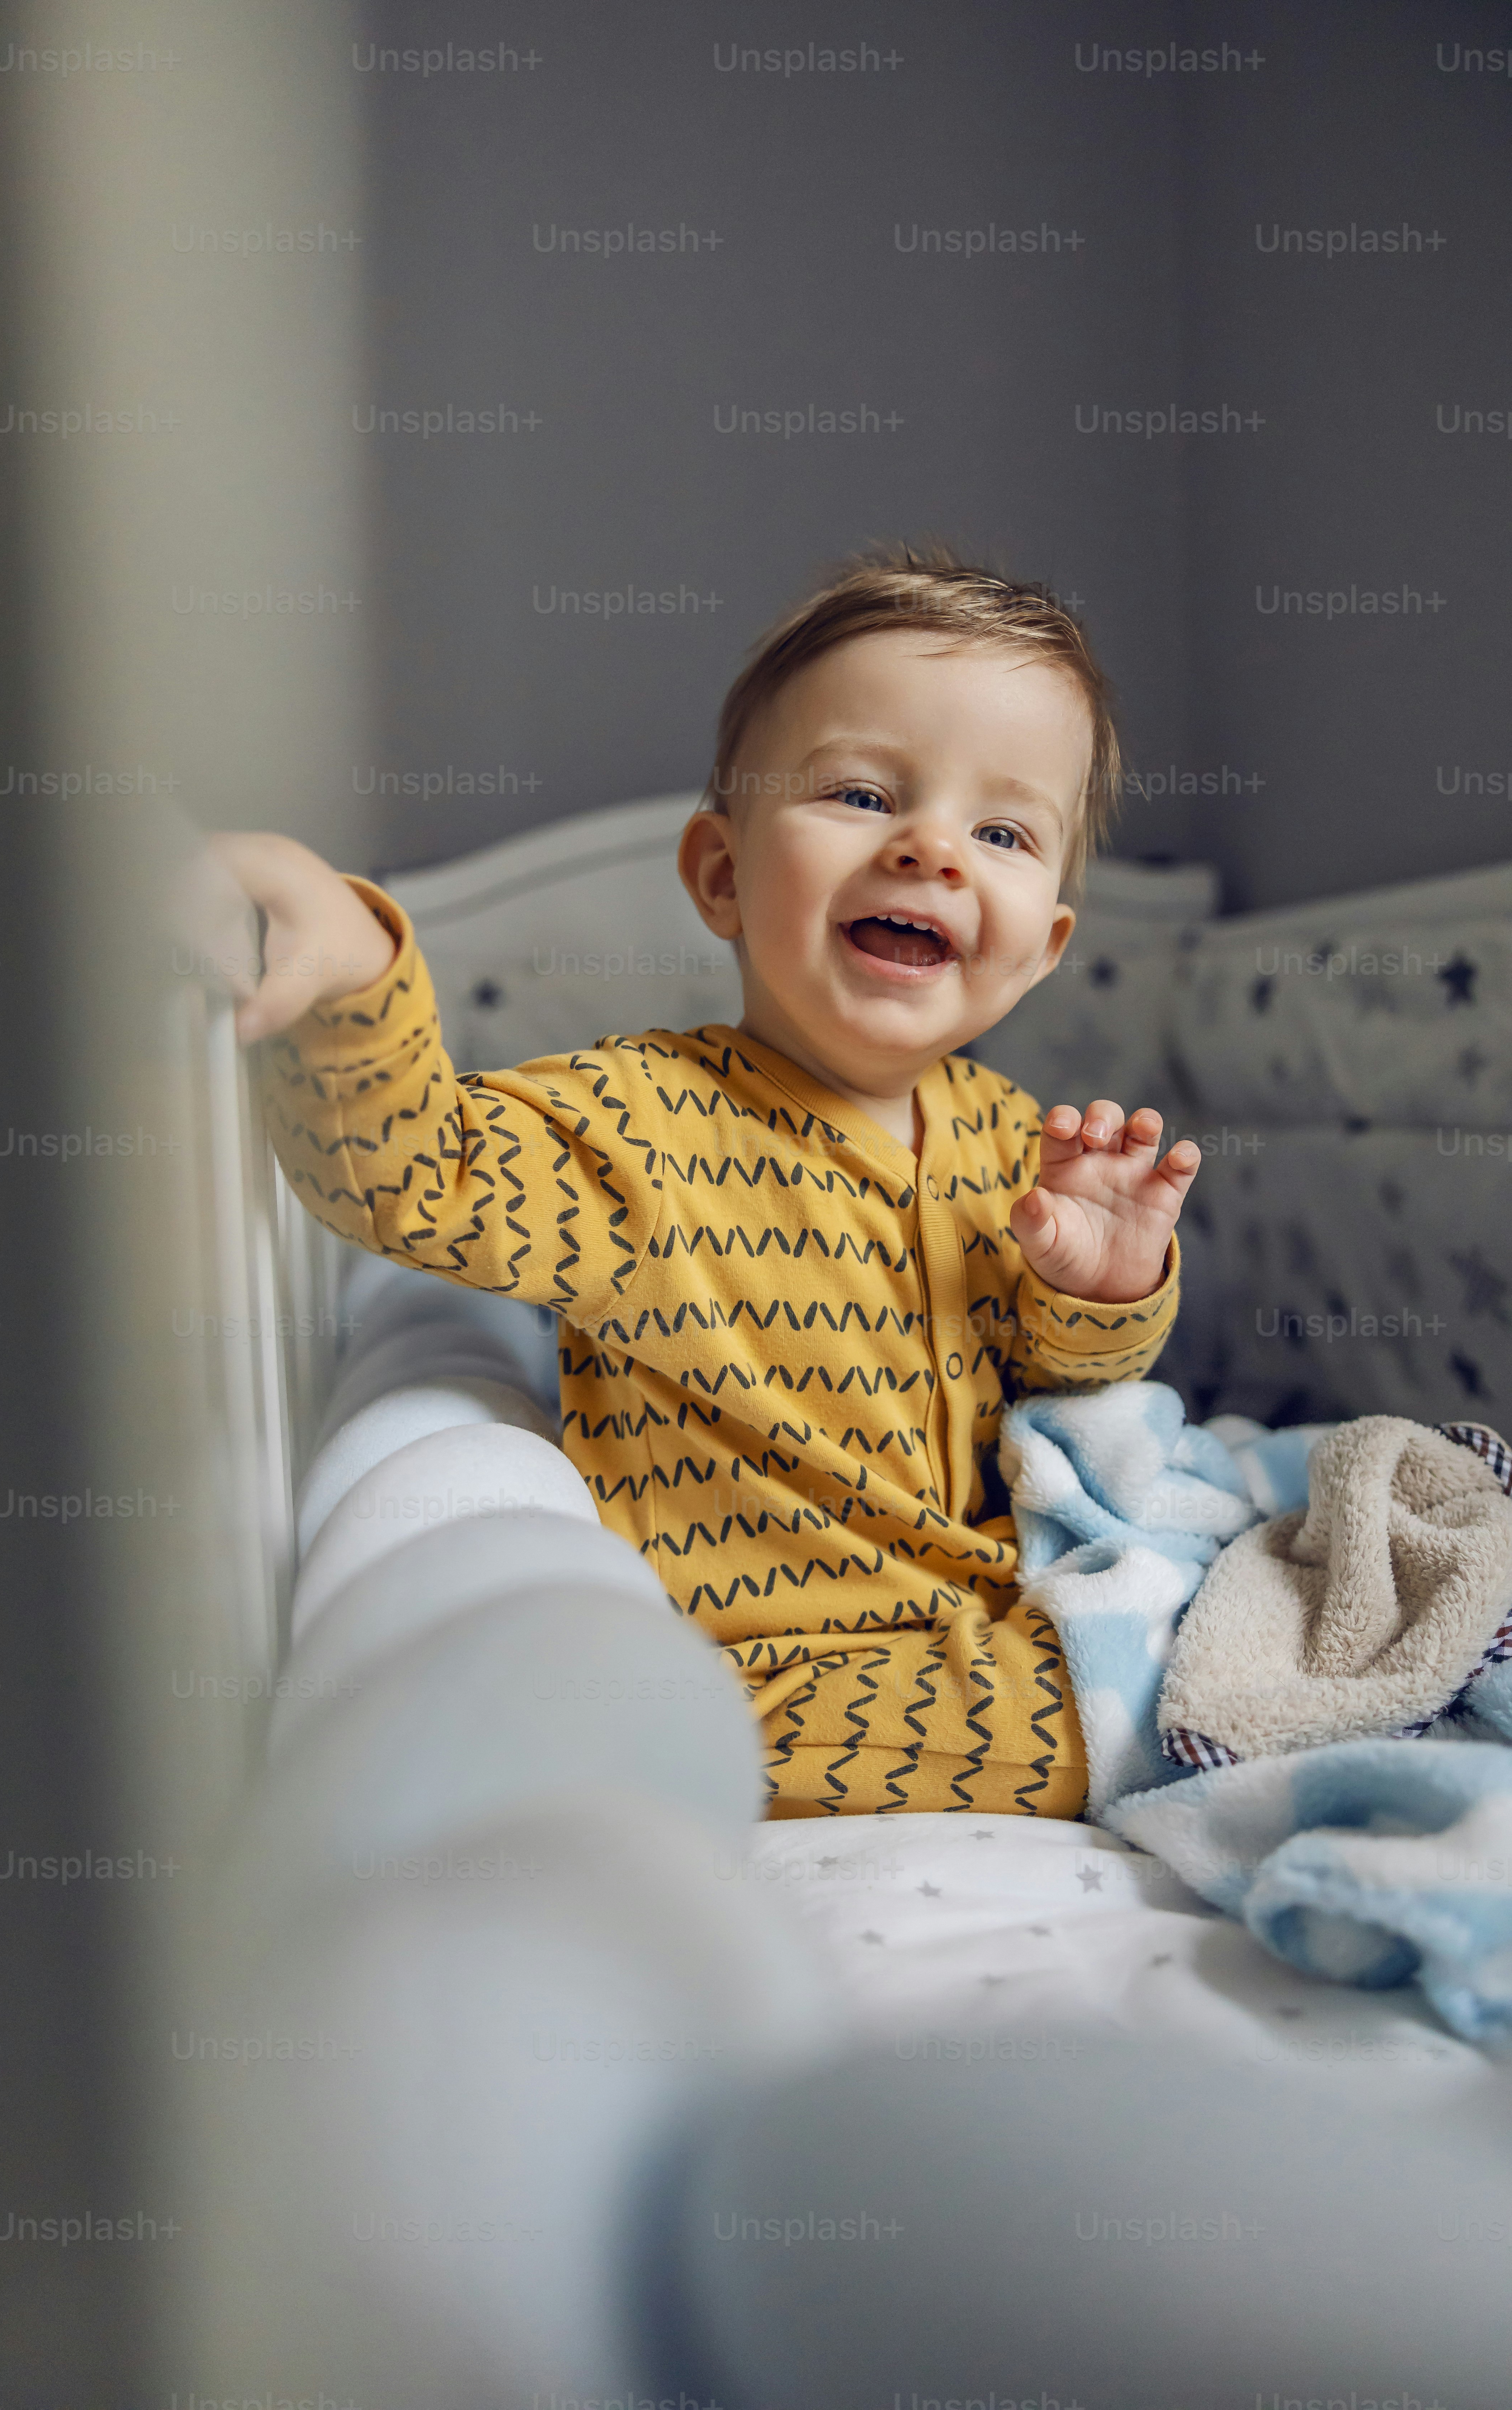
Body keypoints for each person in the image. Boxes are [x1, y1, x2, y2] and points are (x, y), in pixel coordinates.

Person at [213, 548, 1201, 1820]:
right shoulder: (631, 1127)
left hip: (1000, 1598)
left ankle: (1173, 1690)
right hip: (773, 1660)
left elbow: (1060, 1391)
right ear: (723, 876)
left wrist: (1110, 1289)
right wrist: (352, 963)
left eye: (1003, 832)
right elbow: (415, 1175)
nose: (932, 849)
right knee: (1129, 1700)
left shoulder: (1015, 1141)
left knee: (1198, 1618)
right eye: (861, 793)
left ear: (1041, 951)